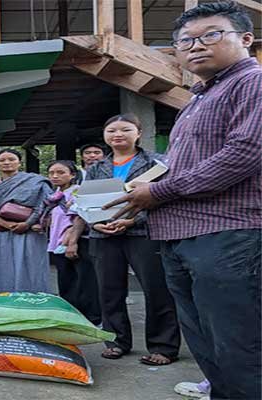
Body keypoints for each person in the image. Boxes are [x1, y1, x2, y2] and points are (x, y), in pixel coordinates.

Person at [105, 2, 260, 398]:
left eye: (211, 35)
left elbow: (245, 153)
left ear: (245, 39)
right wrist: (136, 207)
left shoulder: (252, 82)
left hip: (227, 235)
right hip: (181, 236)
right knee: (208, 347)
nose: (195, 46)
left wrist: (157, 191)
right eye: (184, 41)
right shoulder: (198, 98)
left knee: (239, 347)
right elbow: (178, 168)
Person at [66, 114, 181, 366]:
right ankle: (116, 341)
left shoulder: (156, 162)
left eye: (125, 130)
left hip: (145, 233)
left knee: (157, 289)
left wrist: (133, 220)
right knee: (109, 290)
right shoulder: (95, 168)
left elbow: (165, 197)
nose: (118, 134)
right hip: (103, 234)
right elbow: (83, 203)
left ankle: (163, 346)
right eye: (112, 131)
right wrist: (95, 222)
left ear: (138, 133)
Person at [0, 149, 53, 297]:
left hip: (32, 231)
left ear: (19, 162)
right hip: (1, 231)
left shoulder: (35, 181)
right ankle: (3, 302)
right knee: (3, 268)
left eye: (11, 159)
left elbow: (46, 204)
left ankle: (35, 300)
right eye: (2, 160)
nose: (6, 163)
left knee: (32, 267)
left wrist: (28, 224)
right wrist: (7, 225)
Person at [44, 160, 101, 325]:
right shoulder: (55, 196)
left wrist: (72, 242)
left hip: (77, 242)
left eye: (61, 172)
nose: (55, 176)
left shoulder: (76, 192)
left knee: (84, 281)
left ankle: (93, 319)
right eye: (52, 173)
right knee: (66, 282)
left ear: (73, 175)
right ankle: (71, 317)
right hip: (58, 244)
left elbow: (80, 216)